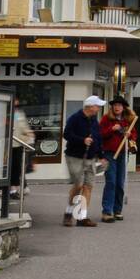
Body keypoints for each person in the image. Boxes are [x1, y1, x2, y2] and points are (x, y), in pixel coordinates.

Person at [62, 96, 107, 227]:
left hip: (90, 158)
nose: (99, 108)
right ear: (90, 106)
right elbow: (66, 134)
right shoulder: (75, 118)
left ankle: (82, 217)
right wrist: (82, 140)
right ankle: (69, 213)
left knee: (88, 186)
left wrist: (101, 156)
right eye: (97, 106)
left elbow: (97, 138)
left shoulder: (94, 120)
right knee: (78, 185)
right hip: (75, 157)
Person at [99, 96, 136, 222]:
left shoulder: (128, 120)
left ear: (123, 107)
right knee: (111, 182)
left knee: (120, 183)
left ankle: (117, 210)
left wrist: (130, 135)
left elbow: (134, 135)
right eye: (115, 105)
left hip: (123, 154)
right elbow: (100, 134)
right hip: (109, 154)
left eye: (119, 105)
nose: (117, 107)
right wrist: (111, 129)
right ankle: (107, 211)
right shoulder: (106, 119)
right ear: (112, 107)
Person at [10, 97, 35, 200]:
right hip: (8, 144)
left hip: (18, 144)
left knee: (17, 168)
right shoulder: (7, 113)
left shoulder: (18, 113)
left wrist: (29, 134)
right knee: (12, 168)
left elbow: (23, 126)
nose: (17, 103)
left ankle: (14, 190)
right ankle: (13, 189)